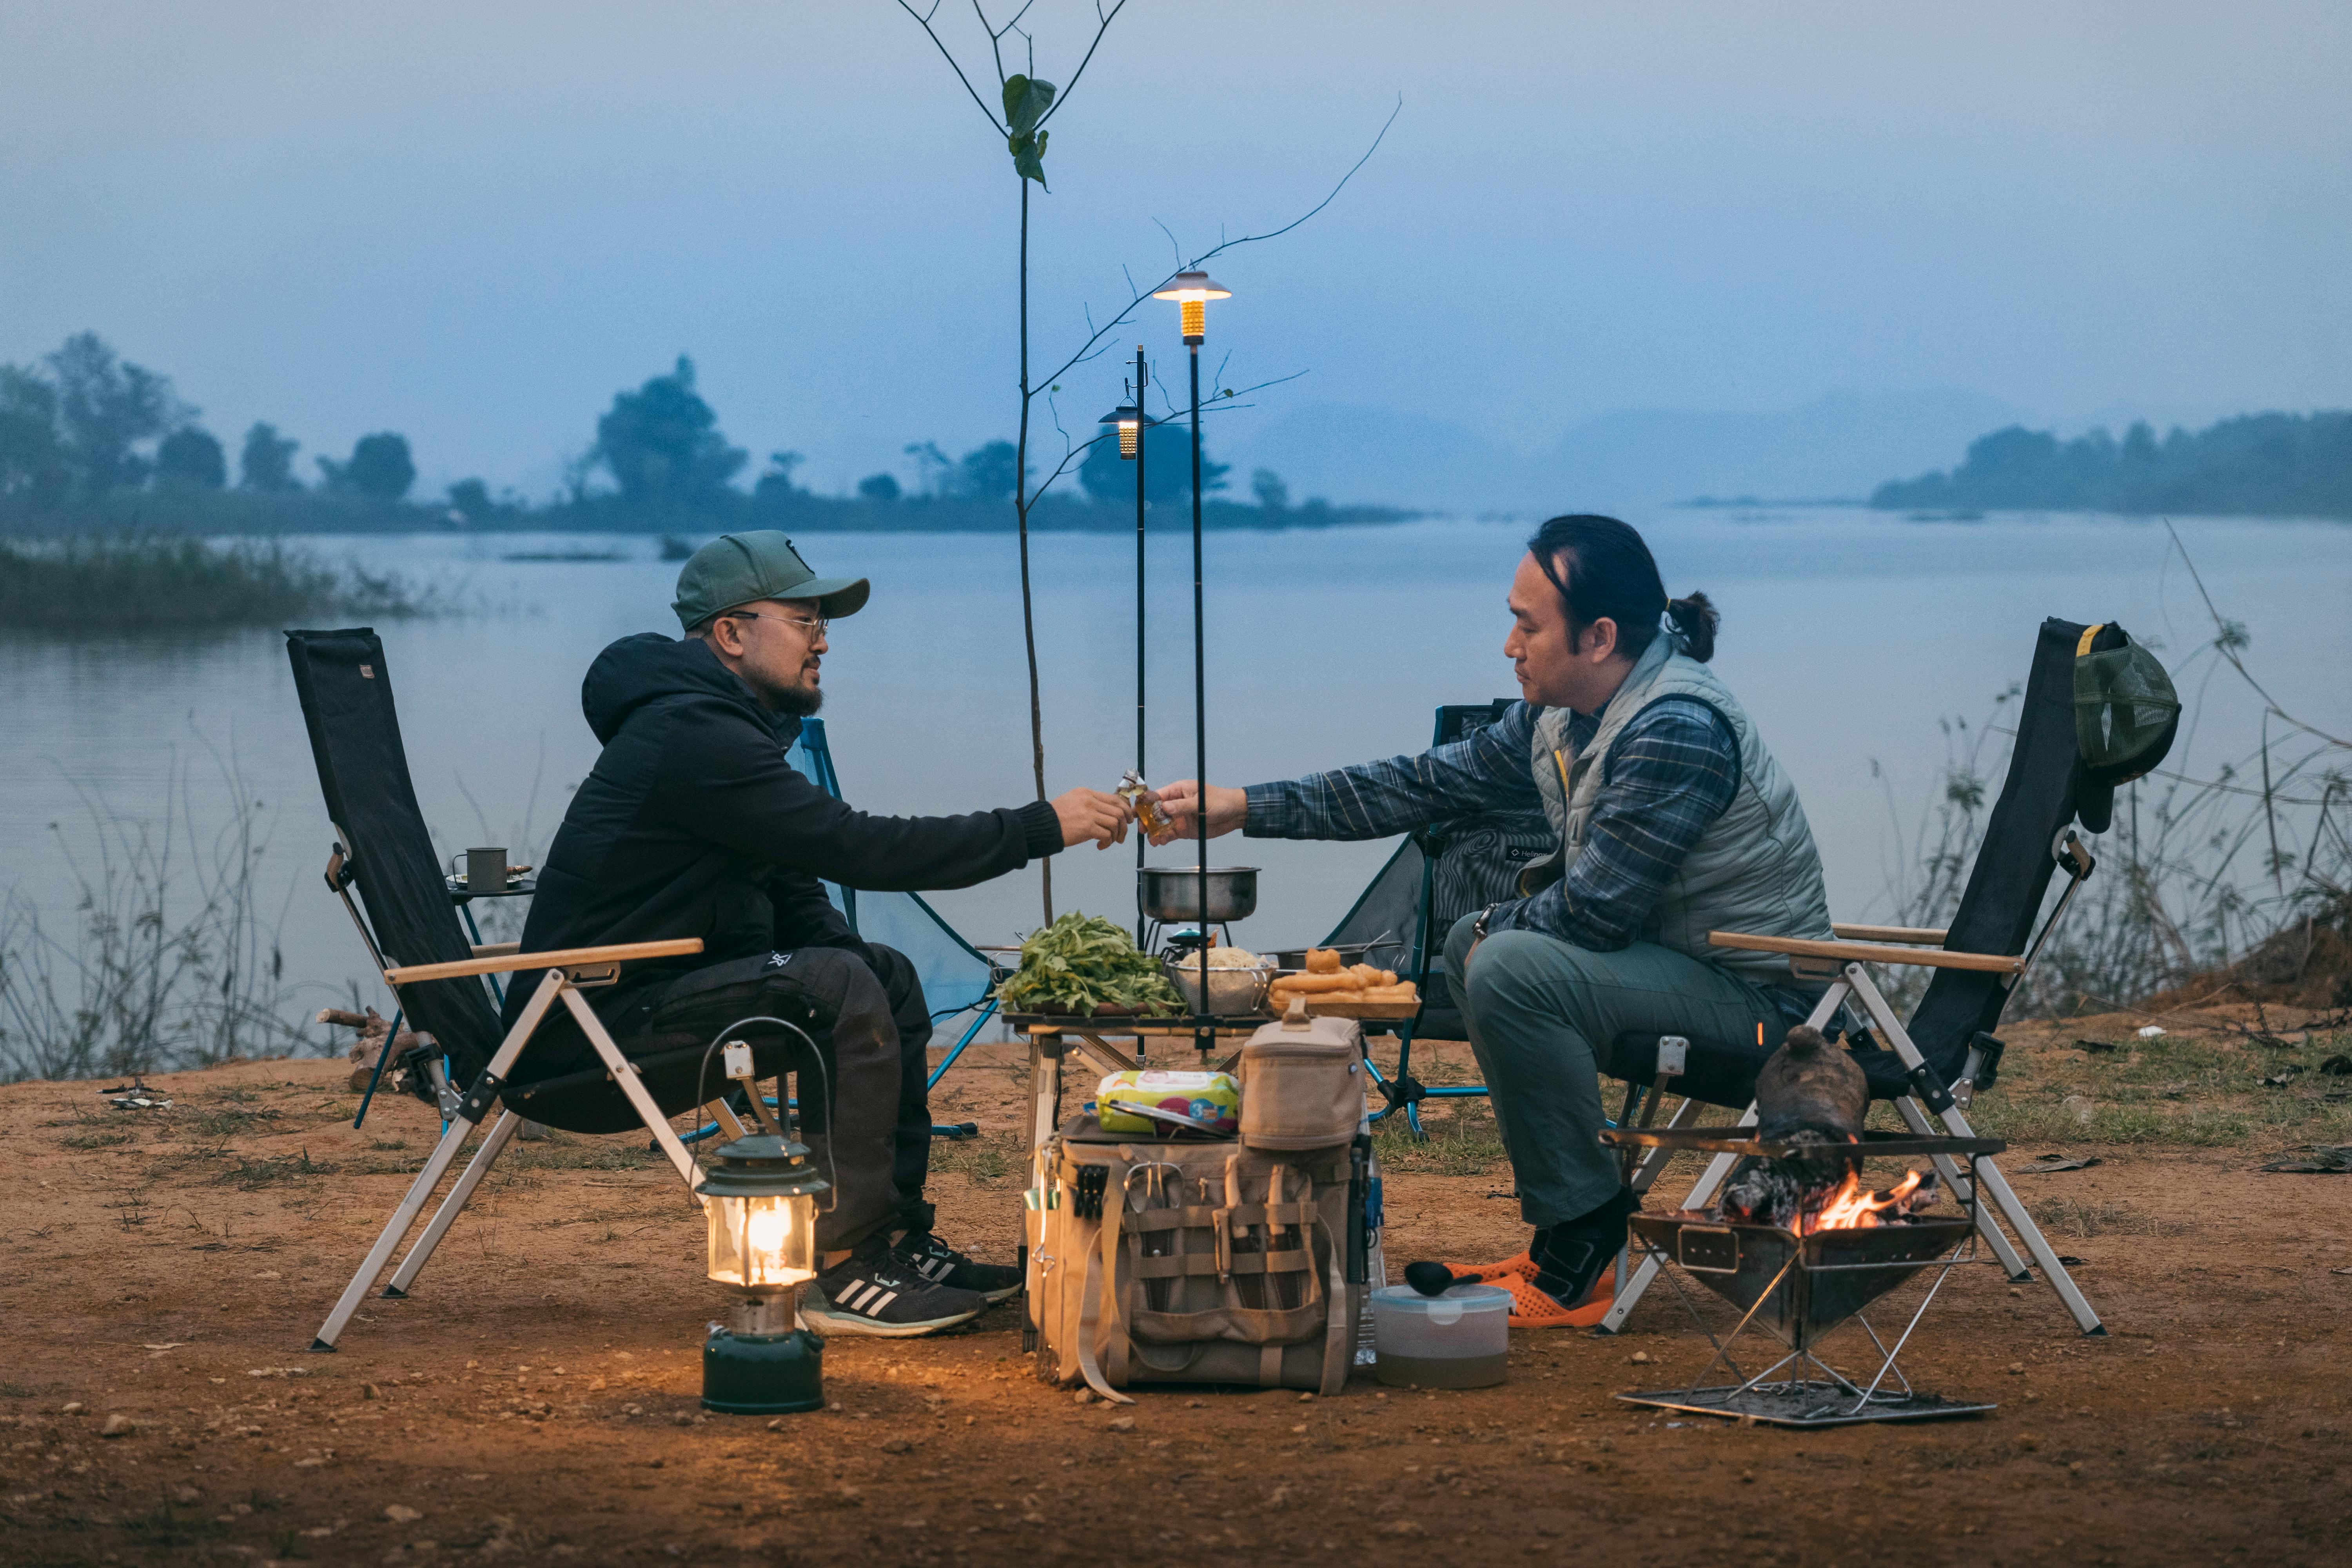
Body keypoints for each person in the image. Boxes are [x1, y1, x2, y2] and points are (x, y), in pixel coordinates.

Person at [1152, 515, 1834, 1327]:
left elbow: (1594, 913)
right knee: (1481, 943)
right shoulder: (1565, 715)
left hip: (1772, 1015)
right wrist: (1244, 807)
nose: (1510, 643)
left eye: (1527, 622)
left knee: (1504, 957)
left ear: (1599, 636)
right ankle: (1563, 1233)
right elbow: (1420, 784)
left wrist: (1492, 930)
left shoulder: (1672, 728)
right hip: (1683, 973)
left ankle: (1586, 1249)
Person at [505, 531, 1132, 1336]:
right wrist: (1041, 825)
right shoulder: (693, 737)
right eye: (805, 620)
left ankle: (895, 1241)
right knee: (840, 984)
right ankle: (843, 1267)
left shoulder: (725, 727)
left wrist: (860, 965)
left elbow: (797, 887)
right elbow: (859, 846)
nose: (824, 640)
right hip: (582, 1036)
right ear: (732, 634)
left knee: (880, 972)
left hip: (647, 1004)